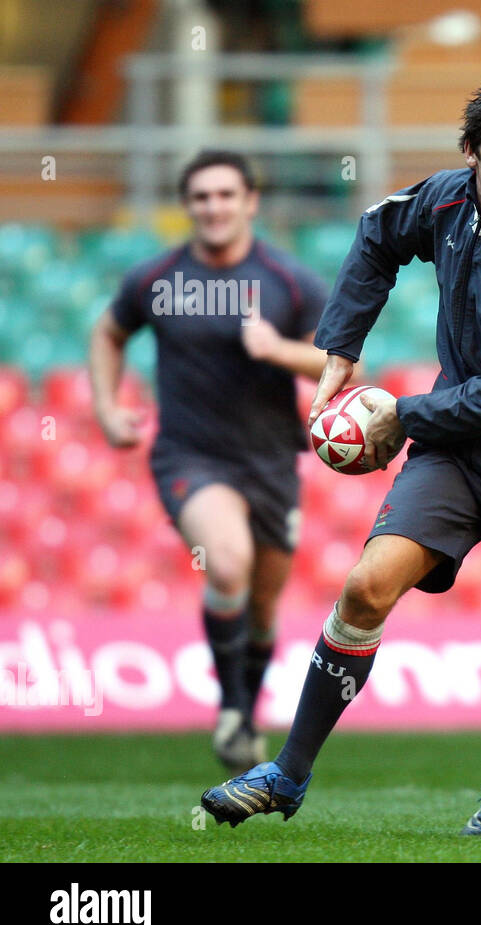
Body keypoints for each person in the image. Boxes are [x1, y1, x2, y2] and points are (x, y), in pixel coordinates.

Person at [201, 74, 481, 835]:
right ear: (471, 152)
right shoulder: (447, 201)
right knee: (367, 586)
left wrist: (401, 414)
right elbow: (375, 235)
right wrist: (340, 345)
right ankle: (287, 774)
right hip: (459, 451)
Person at [91, 150, 329, 774]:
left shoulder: (289, 280)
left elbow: (338, 361)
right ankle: (230, 708)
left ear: (250, 202)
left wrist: (277, 349)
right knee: (227, 565)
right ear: (187, 206)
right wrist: (108, 409)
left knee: (263, 605)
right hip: (190, 454)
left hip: (273, 460)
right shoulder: (155, 280)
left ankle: (246, 715)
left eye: (226, 195)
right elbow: (108, 333)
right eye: (200, 197)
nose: (213, 207)